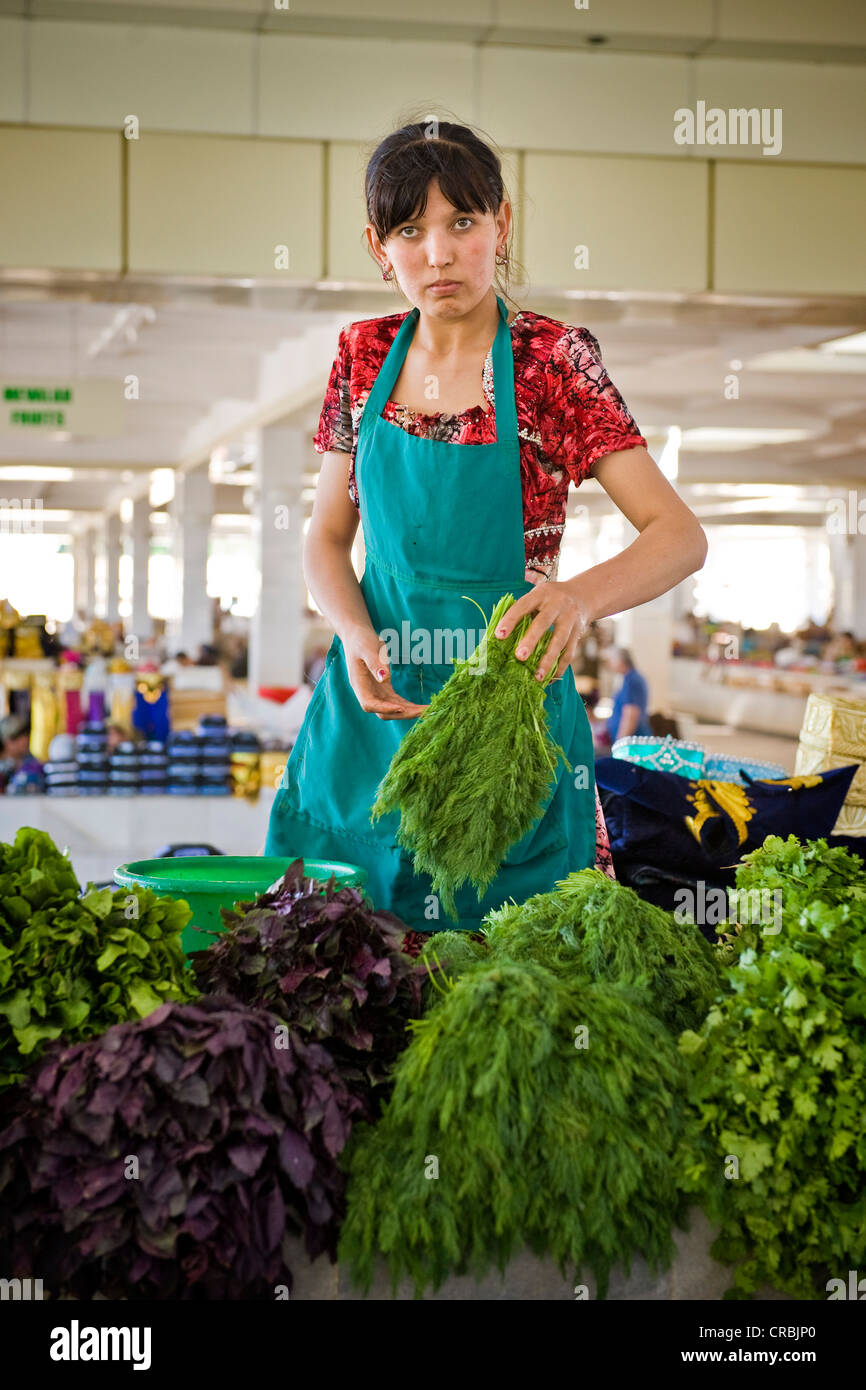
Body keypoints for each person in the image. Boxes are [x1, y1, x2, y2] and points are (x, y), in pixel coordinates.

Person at [263, 118, 707, 933]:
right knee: (336, 977)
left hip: (511, 727)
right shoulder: (361, 357)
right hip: (374, 709)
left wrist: (575, 599)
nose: (438, 254)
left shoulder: (553, 361)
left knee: (509, 976)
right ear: (378, 245)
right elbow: (326, 538)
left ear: (502, 223)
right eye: (410, 230)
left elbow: (679, 535)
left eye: (462, 223)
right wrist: (356, 634)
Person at [606, 647, 653, 743]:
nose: (609, 664)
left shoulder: (632, 680)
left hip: (633, 742)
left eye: (611, 660)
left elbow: (631, 713)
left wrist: (620, 743)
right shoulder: (628, 679)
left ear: (620, 661)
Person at [0, 713, 43, 792]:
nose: (26, 740)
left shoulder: (32, 762)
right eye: (21, 737)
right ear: (7, 741)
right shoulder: (3, 767)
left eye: (27, 735)